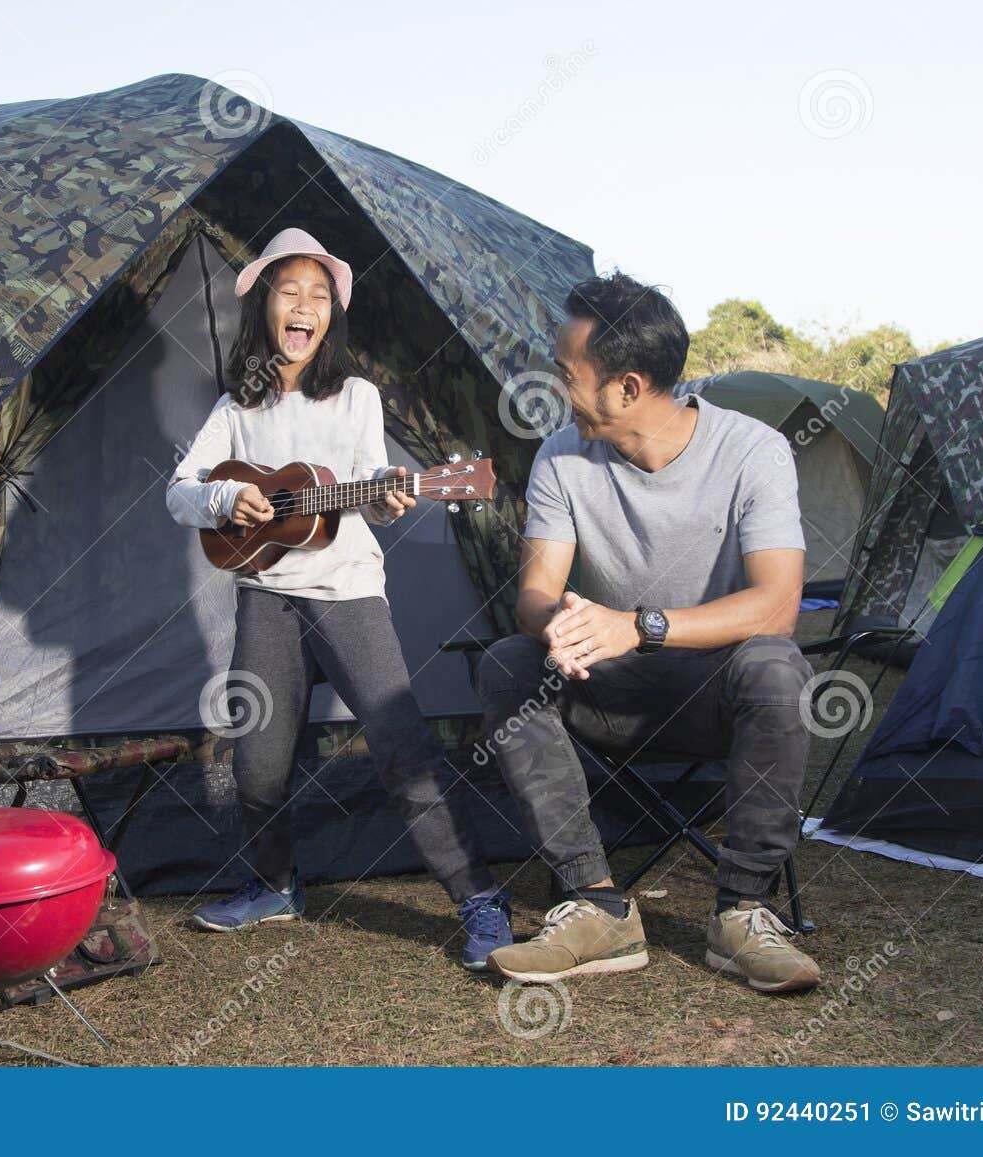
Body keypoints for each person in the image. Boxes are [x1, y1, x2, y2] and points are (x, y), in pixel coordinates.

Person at [166, 227, 512, 970]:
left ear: (331, 318)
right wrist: (229, 495)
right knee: (257, 765)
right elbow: (179, 492)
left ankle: (479, 897)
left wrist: (391, 496)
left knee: (401, 747)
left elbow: (370, 480)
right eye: (289, 292)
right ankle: (274, 884)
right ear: (264, 307)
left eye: (318, 296)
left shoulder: (357, 395)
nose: (304, 306)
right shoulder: (234, 408)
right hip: (263, 596)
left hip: (347, 592)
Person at [480, 272, 822, 993]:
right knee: (510, 663)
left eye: (567, 374)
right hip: (609, 690)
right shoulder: (559, 457)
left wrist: (639, 626)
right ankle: (595, 903)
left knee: (775, 664)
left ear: (627, 387)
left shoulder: (753, 451)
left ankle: (744, 912)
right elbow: (534, 596)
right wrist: (563, 625)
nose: (555, 389)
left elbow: (779, 604)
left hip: (716, 694)